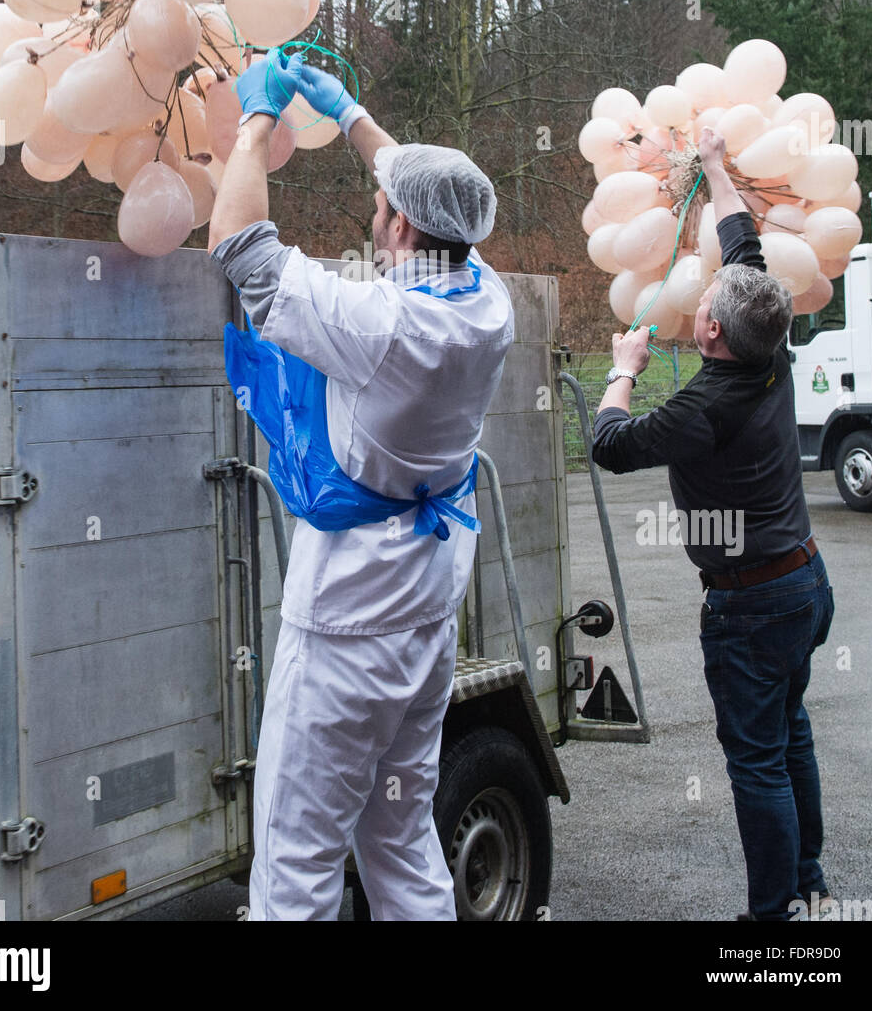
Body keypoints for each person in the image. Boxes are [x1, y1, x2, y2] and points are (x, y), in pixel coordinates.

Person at [206, 49, 515, 921]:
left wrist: (257, 119)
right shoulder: (484, 300)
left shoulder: (381, 323)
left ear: (404, 231)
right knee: (402, 835)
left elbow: (242, 249)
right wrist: (346, 113)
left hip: (347, 621)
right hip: (422, 611)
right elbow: (409, 179)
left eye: (379, 207)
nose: (372, 210)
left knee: (296, 857)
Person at [590, 126, 835, 923]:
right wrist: (718, 168)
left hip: (753, 605)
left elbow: (608, 446)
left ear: (710, 334)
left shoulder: (703, 407)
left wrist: (623, 370)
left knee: (758, 759)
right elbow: (742, 238)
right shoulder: (772, 337)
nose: (699, 301)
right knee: (789, 732)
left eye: (703, 306)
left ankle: (773, 922)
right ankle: (807, 880)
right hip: (803, 584)